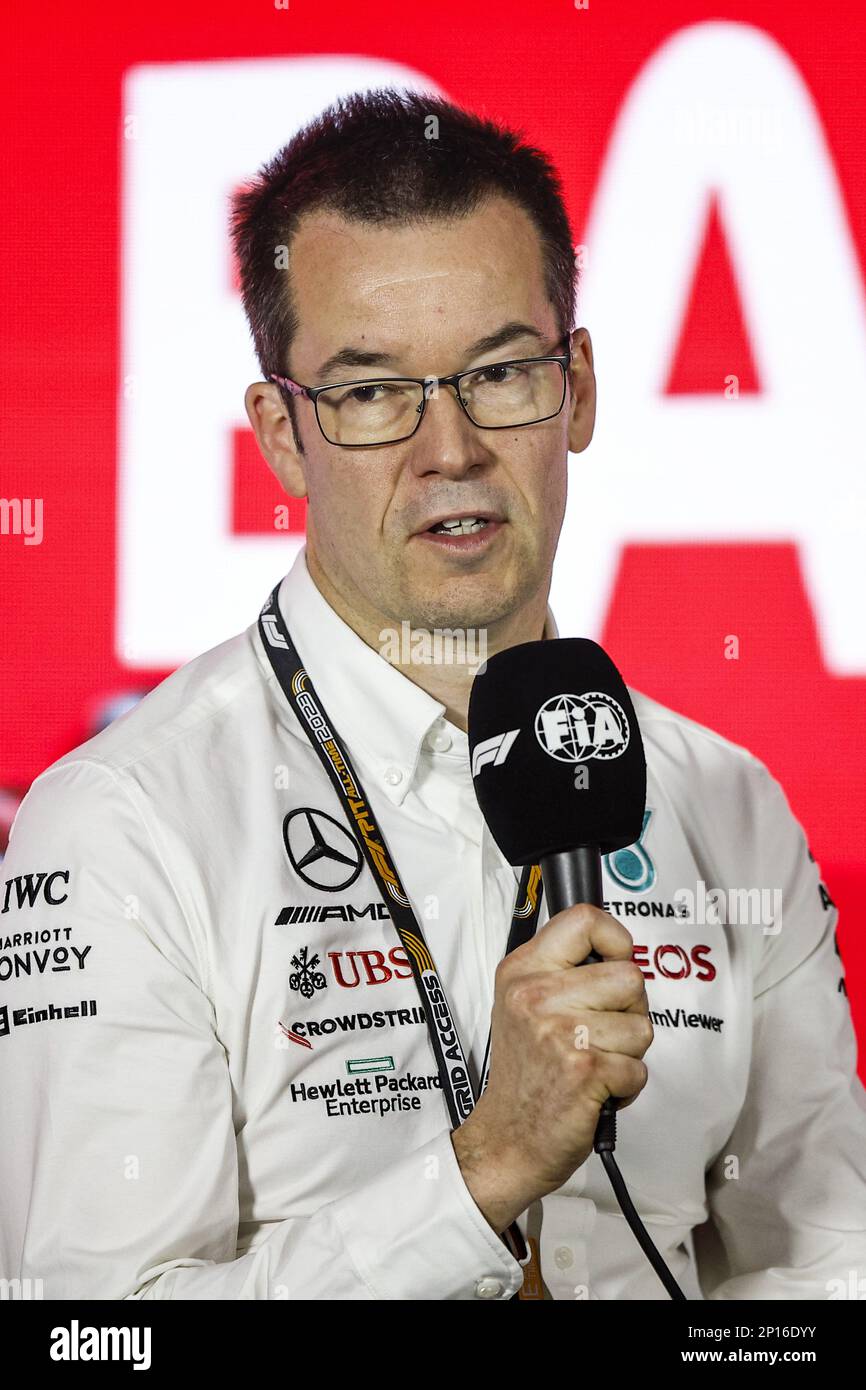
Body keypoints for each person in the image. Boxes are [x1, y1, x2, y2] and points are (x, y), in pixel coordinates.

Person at [1, 87, 865, 1302]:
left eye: (499, 371)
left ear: (577, 389)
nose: (447, 449)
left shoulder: (726, 804)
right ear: (280, 437)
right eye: (369, 393)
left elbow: (827, 1263)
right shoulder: (121, 828)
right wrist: (482, 1171)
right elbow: (95, 1337)